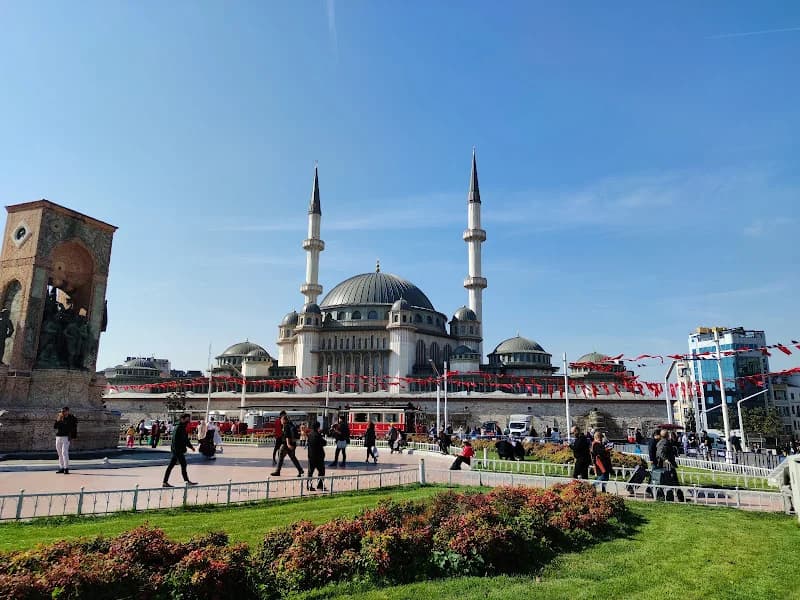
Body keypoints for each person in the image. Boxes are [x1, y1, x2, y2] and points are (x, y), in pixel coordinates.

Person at [163, 413, 197, 487]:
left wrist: (191, 447)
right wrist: (176, 451)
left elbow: (185, 439)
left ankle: (165, 482)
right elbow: (174, 440)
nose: (188, 421)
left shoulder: (182, 427)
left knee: (171, 466)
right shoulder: (178, 427)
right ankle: (186, 481)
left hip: (178, 450)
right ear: (182, 419)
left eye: (188, 420)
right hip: (177, 450)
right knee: (183, 464)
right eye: (187, 420)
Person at [271, 413, 304, 477]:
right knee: (293, 457)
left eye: (281, 420)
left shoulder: (286, 426)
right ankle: (300, 470)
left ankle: (277, 471)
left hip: (286, 444)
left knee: (280, 457)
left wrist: (288, 444)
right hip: (293, 444)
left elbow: (287, 435)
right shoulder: (291, 424)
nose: (280, 421)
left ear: (284, 420)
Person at [54, 406, 78, 474]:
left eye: (64, 411)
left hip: (66, 437)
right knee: (59, 453)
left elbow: (74, 426)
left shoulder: (71, 418)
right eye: (61, 411)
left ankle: (66, 468)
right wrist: (58, 419)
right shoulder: (59, 417)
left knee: (64, 452)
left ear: (67, 411)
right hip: (58, 436)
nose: (62, 412)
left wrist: (72, 436)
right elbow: (55, 426)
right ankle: (61, 467)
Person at [306, 421, 326, 491]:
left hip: (311, 456)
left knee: (310, 472)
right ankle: (320, 485)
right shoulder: (317, 435)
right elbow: (324, 443)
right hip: (318, 456)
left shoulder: (310, 434)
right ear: (318, 427)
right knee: (321, 471)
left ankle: (309, 485)